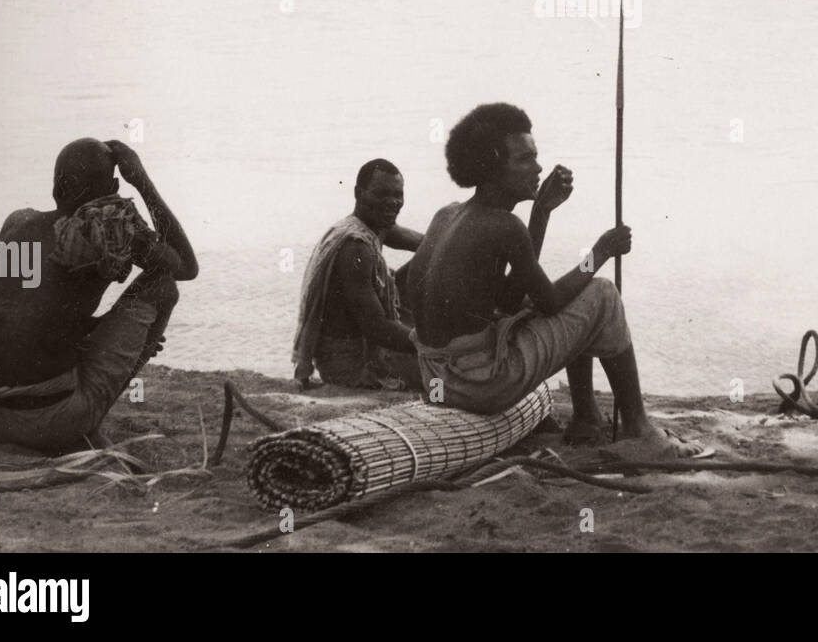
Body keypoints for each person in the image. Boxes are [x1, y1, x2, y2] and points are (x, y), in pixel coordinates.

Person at [410, 105, 707, 458]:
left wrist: (541, 212)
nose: (538, 168)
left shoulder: (448, 214)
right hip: (478, 384)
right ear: (491, 166)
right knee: (602, 294)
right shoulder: (502, 225)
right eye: (525, 159)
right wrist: (601, 252)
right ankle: (638, 428)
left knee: (565, 297)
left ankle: (585, 419)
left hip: (436, 379)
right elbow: (550, 301)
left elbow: (507, 300)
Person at [0, 140, 197, 454]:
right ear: (114, 188)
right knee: (162, 287)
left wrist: (103, 326)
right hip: (52, 422)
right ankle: (88, 423)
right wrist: (142, 181)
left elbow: (21, 316)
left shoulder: (17, 223)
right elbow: (185, 267)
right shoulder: (110, 229)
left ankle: (74, 410)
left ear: (56, 188)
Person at [293, 159, 425, 390]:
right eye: (382, 194)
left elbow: (428, 245)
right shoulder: (356, 247)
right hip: (351, 363)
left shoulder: (374, 226)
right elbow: (377, 328)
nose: (392, 203)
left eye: (398, 195)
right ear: (359, 193)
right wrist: (432, 345)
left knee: (427, 260)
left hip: (369, 341)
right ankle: (438, 402)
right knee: (439, 379)